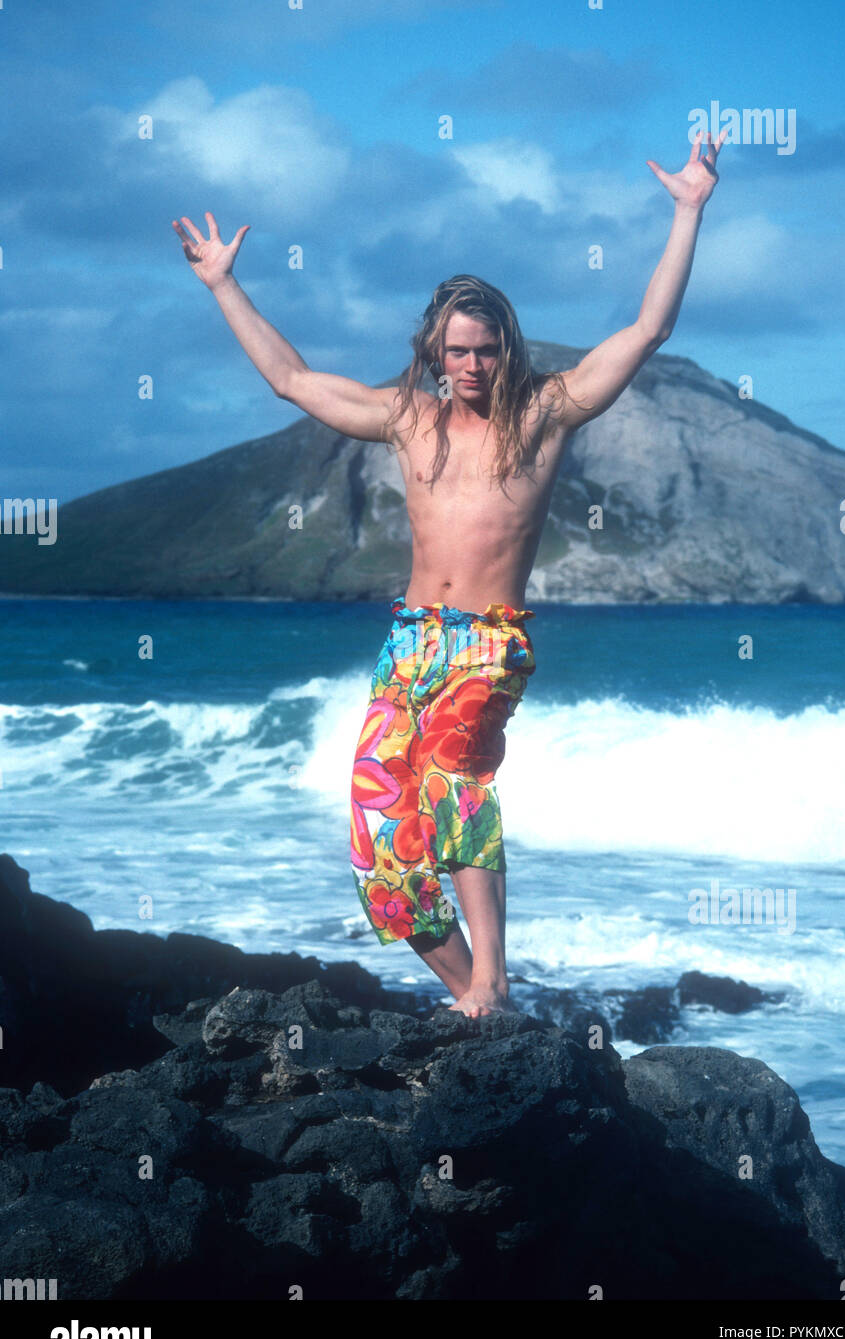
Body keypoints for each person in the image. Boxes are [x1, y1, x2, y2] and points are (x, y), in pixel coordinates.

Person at [173, 130, 726, 1017]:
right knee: (380, 837)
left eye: (487, 350)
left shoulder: (547, 415)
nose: (471, 367)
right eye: (456, 352)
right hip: (410, 646)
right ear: (434, 350)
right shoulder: (407, 419)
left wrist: (688, 211)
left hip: (488, 644)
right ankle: (475, 996)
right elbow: (290, 379)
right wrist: (223, 284)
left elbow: (648, 328)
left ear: (509, 347)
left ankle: (495, 980)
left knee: (454, 784)